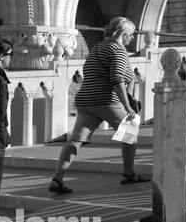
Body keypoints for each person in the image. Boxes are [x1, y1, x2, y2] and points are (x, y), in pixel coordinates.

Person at [51, 17, 147, 195]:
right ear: (123, 34)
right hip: (106, 100)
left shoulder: (97, 47)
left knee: (76, 141)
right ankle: (128, 174)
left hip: (86, 100)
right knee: (130, 131)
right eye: (131, 35)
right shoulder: (117, 49)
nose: (132, 38)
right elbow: (117, 79)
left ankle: (57, 178)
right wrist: (128, 107)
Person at [0, 40, 11, 222]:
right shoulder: (0, 80)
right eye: (10, 55)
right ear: (1, 56)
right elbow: (0, 113)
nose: (11, 59)